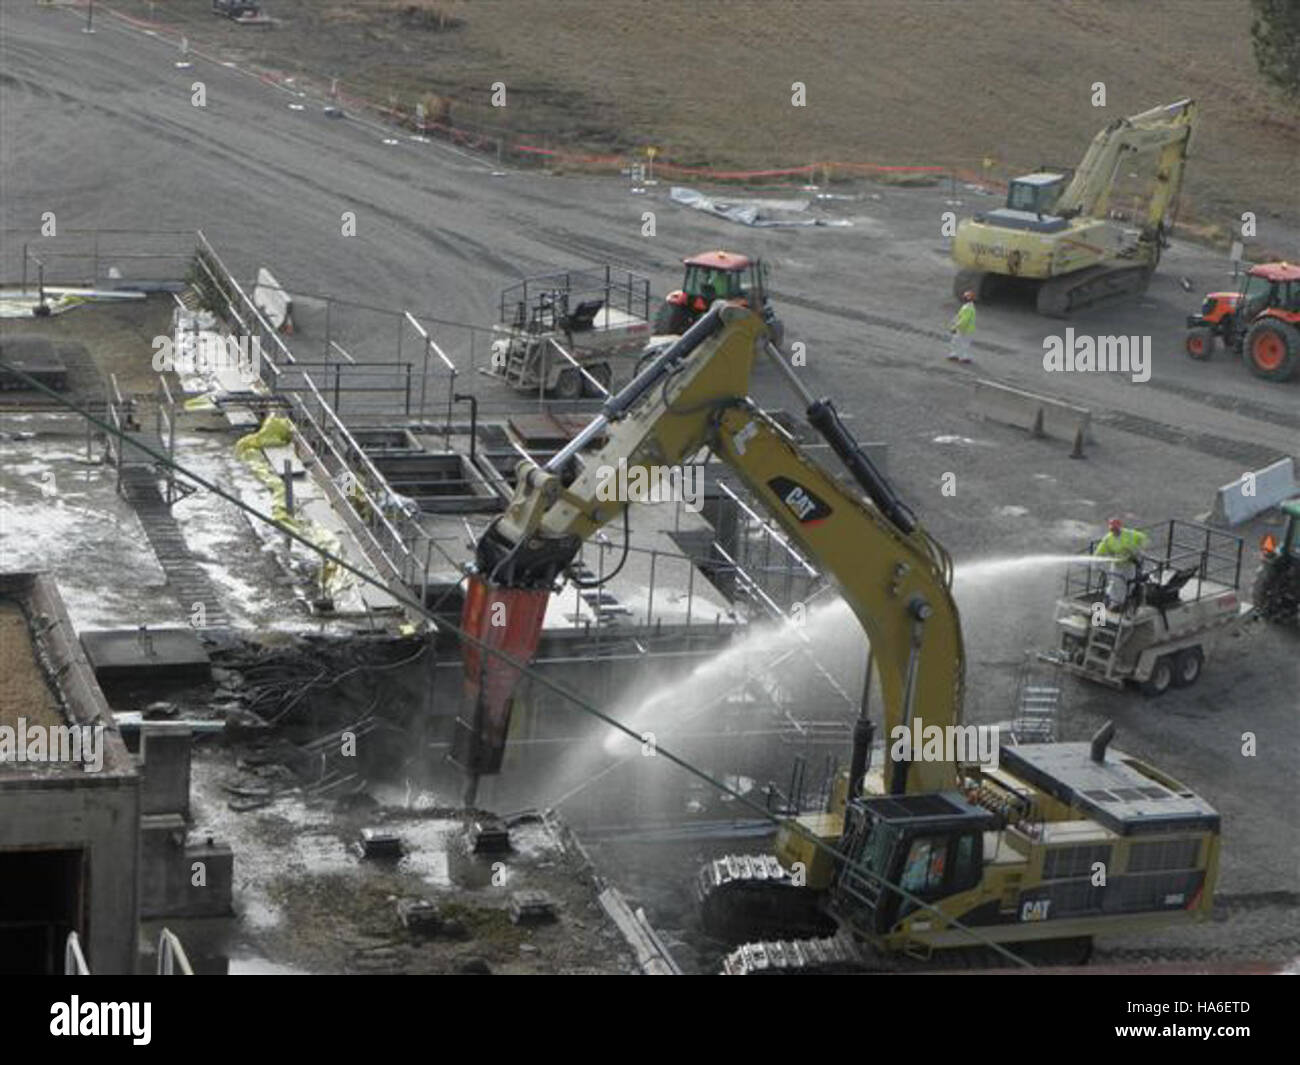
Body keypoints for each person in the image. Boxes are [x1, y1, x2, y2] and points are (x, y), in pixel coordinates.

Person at [1093, 518, 1150, 610]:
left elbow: (1143, 538)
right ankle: (1115, 603)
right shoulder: (1108, 539)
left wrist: (1141, 549)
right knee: (1116, 583)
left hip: (1129, 565)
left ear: (1120, 527)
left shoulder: (1130, 534)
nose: (1114, 531)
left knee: (1128, 584)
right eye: (1112, 529)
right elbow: (1099, 551)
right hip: (1117, 565)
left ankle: (1123, 602)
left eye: (1115, 529)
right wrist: (1095, 563)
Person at [948, 290, 976, 364]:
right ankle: (964, 357)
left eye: (965, 296)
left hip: (963, 329)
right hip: (968, 329)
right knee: (964, 343)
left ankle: (956, 355)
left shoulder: (967, 308)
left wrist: (955, 327)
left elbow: (964, 320)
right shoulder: (970, 306)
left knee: (956, 341)